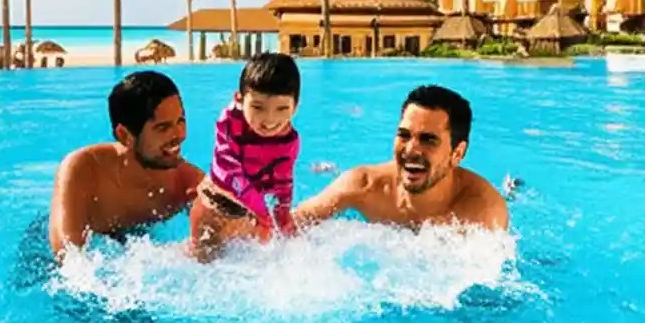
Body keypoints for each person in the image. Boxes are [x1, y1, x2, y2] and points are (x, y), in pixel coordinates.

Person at [294, 84, 508, 231]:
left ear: (457, 154)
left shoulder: (482, 213)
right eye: (404, 135)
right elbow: (293, 223)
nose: (411, 150)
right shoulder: (363, 186)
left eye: (428, 140)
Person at [48, 70, 203, 256]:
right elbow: (67, 256)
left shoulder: (187, 184)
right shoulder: (83, 169)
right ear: (124, 135)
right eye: (163, 128)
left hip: (133, 242)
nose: (179, 135)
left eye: (180, 121)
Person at [188, 52, 301, 261]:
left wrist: (283, 213)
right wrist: (262, 212)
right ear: (239, 99)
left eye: (282, 108)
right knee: (200, 263)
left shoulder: (289, 141)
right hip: (215, 205)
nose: (269, 120)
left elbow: (283, 179)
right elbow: (228, 171)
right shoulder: (229, 122)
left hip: (250, 214)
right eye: (257, 107)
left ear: (296, 106)